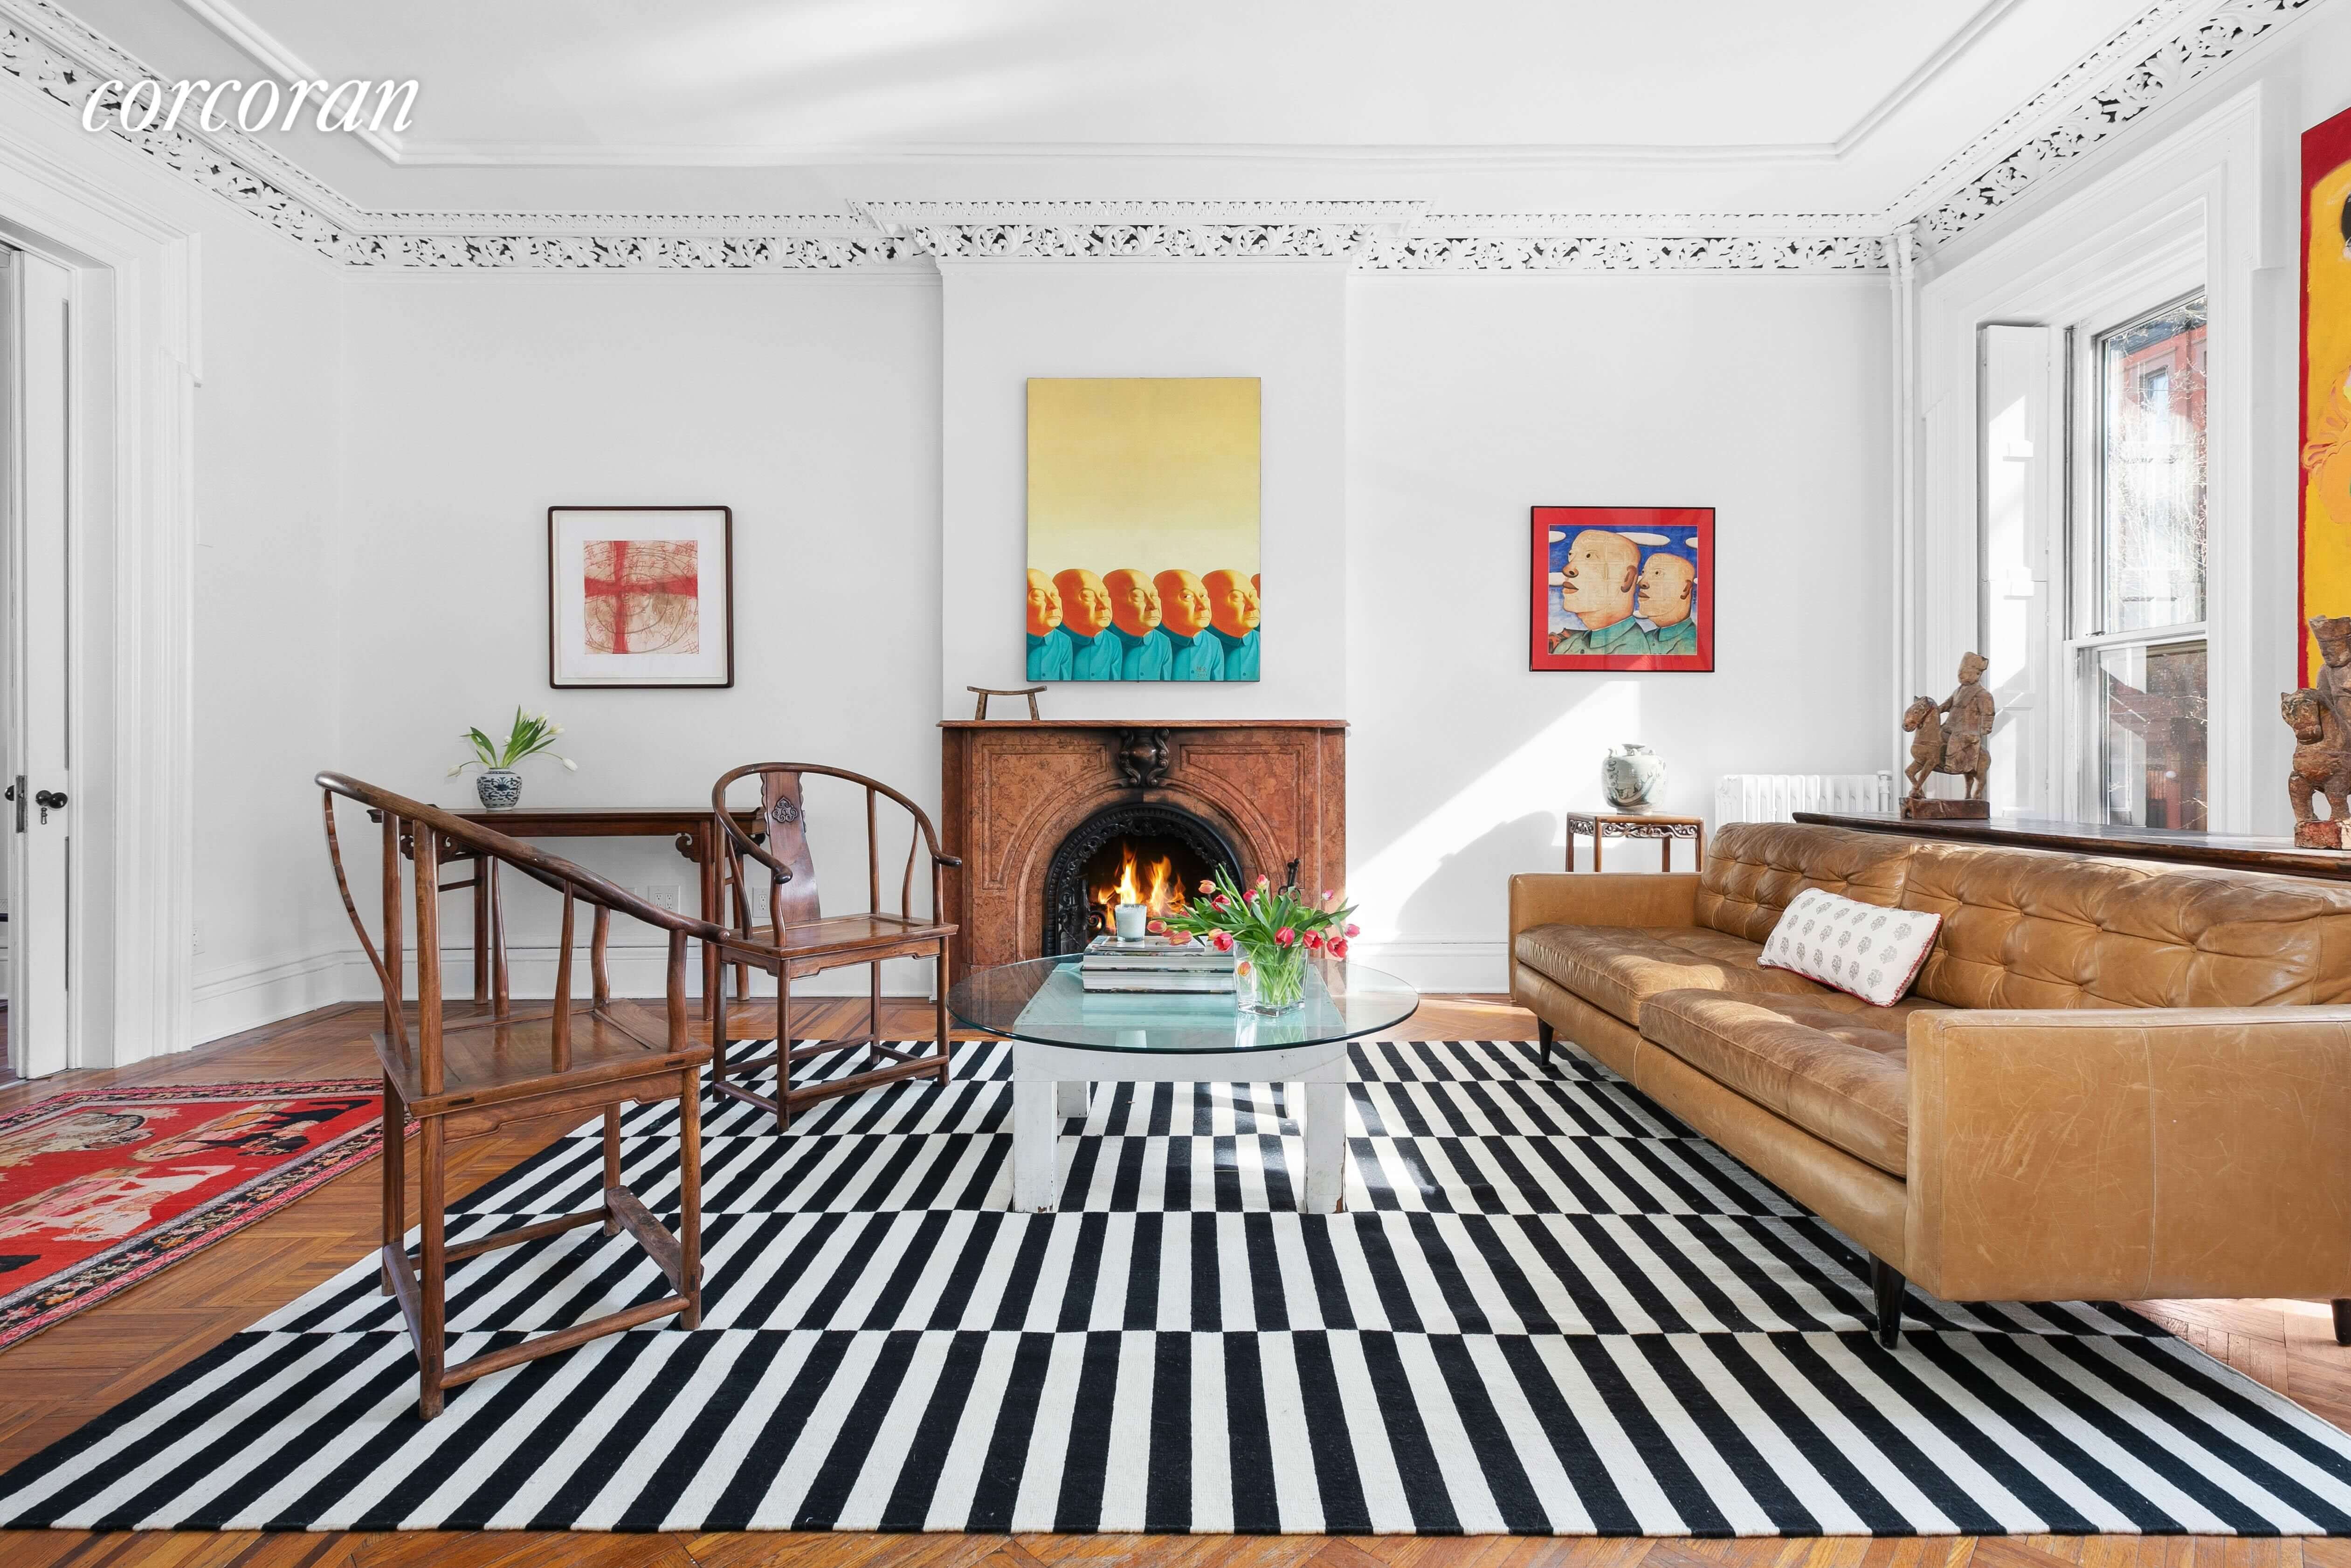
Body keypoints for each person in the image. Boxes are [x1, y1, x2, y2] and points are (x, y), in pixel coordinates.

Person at [1550, 529, 1656, 657]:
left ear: (1626, 578)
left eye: (1589, 557)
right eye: (1571, 557)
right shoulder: (1567, 647)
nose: (1567, 569)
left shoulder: (1632, 652)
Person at [1937, 651, 1995, 792]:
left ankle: (1952, 765)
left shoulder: (1982, 694)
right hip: (1950, 726)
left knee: (1956, 740)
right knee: (1934, 736)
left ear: (1977, 674)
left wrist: (1984, 729)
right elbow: (1947, 704)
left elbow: (1988, 714)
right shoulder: (1958, 691)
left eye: (1965, 672)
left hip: (1967, 730)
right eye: (1960, 672)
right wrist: (1934, 711)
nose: (1961, 675)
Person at [1048, 568, 1122, 680]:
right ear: (1064, 602)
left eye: (1105, 596)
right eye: (1088, 596)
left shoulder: (1114, 642)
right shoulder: (1058, 642)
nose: (1103, 605)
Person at [1154, 568, 1225, 681]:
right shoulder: (1155, 643)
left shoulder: (1213, 644)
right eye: (1187, 597)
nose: (1203, 606)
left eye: (1204, 596)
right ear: (1162, 602)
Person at [1103, 568, 1172, 679]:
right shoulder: (1106, 642)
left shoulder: (1163, 642)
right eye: (1138, 596)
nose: (1153, 605)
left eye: (1154, 595)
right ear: (1113, 603)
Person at [1634, 550, 1699, 653]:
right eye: (1644, 573)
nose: (1642, 583)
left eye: (1657, 573)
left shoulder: (1693, 646)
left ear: (1685, 589)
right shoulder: (1645, 639)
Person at [1203, 568, 1260, 680]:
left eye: (1253, 595)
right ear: (1212, 604)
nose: (1252, 606)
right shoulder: (1205, 645)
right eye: (1237, 597)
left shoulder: (1264, 641)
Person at [1025, 569, 1072, 681]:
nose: (1054, 605)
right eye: (1038, 595)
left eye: (1055, 595)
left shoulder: (1064, 641)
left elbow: (1065, 682)